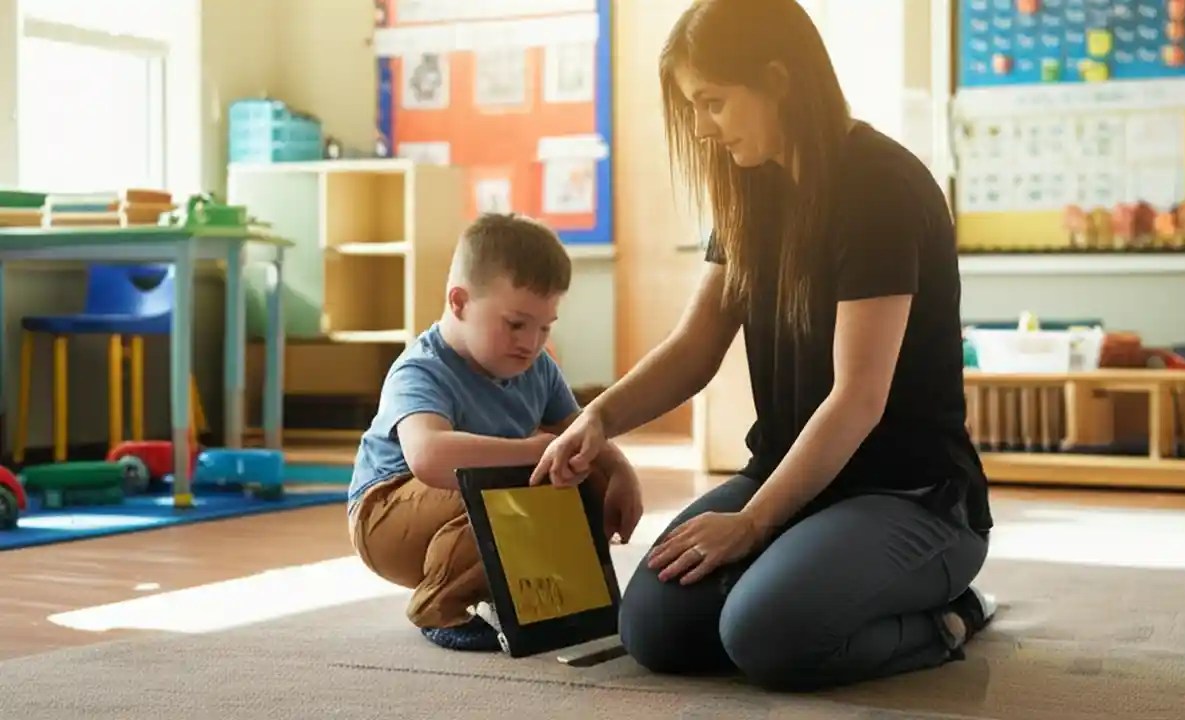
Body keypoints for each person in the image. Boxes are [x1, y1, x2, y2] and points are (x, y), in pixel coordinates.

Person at [530, 0, 995, 692]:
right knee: (653, 628)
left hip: (911, 496)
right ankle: (807, 585)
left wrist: (751, 524)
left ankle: (948, 617)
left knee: (767, 634)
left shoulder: (879, 189)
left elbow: (857, 400)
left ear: (777, 79)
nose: (701, 128)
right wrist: (595, 420)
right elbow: (694, 347)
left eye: (712, 102)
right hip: (794, 479)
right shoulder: (751, 193)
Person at [348, 213, 644, 652]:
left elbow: (580, 430)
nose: (532, 341)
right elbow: (427, 456)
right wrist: (530, 450)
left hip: (470, 504)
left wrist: (621, 474)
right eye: (516, 324)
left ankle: (542, 597)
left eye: (546, 327)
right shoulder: (422, 368)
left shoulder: (538, 367)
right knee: (513, 488)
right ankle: (439, 606)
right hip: (388, 514)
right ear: (460, 303)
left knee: (583, 477)